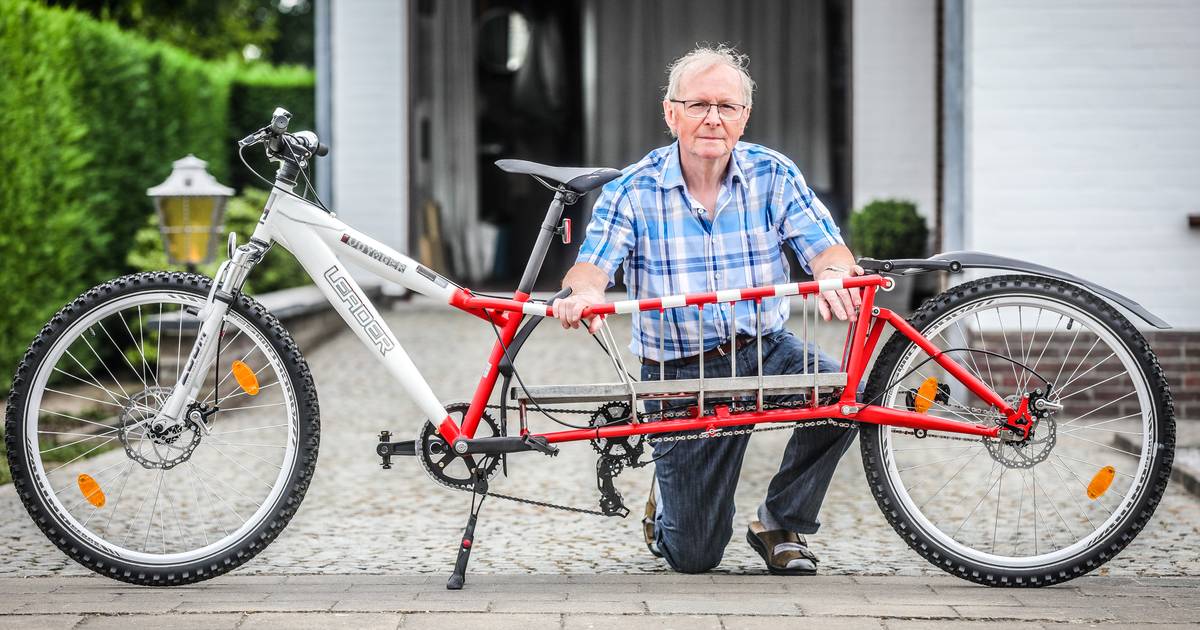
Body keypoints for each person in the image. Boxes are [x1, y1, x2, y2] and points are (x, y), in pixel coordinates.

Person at [555, 45, 862, 576]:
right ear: (670, 113)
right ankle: (669, 502)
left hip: (767, 350)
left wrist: (833, 273)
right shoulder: (632, 190)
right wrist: (584, 295)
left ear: (744, 117)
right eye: (698, 105)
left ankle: (780, 522)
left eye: (727, 106)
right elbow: (590, 268)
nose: (713, 119)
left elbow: (829, 250)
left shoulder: (773, 174)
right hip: (679, 373)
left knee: (844, 391)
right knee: (695, 556)